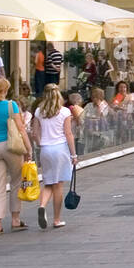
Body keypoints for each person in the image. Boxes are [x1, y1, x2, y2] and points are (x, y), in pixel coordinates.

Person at [0, 75, 33, 236]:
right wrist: (29, 148)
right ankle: (15, 220)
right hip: (11, 147)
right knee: (16, 182)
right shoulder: (11, 106)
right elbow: (21, 129)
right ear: (6, 90)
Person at [31, 84, 78, 230]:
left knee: (48, 183)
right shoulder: (64, 112)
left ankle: (42, 205)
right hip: (60, 149)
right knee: (58, 186)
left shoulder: (39, 111)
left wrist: (40, 144)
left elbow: (34, 133)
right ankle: (57, 219)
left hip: (45, 149)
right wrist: (74, 154)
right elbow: (68, 134)